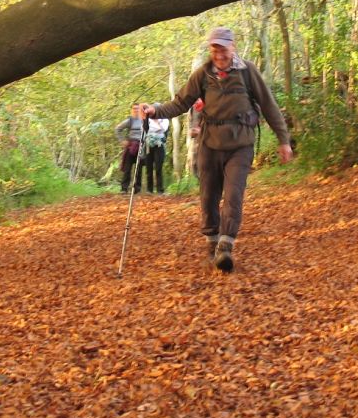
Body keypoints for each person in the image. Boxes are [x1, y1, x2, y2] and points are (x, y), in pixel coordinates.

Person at [140, 26, 293, 273]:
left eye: (223, 48)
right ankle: (212, 241)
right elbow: (181, 103)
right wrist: (155, 111)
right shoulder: (202, 74)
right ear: (210, 49)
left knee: (233, 195)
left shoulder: (247, 72)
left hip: (240, 144)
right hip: (210, 144)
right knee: (209, 195)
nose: (219, 54)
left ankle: (225, 246)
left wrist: (283, 140)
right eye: (215, 49)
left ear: (233, 46)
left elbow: (268, 105)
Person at [114, 103, 145, 193]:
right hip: (131, 146)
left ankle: (137, 189)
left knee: (138, 169)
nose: (136, 110)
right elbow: (117, 129)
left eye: (137, 108)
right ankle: (124, 188)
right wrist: (122, 140)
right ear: (132, 110)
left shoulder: (144, 120)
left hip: (141, 146)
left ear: (140, 110)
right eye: (134, 108)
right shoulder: (129, 121)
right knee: (127, 168)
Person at [143, 115, 170, 193]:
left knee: (158, 167)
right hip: (148, 144)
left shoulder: (164, 119)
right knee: (149, 167)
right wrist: (157, 128)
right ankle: (149, 190)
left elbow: (164, 128)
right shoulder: (148, 119)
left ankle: (160, 189)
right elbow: (145, 129)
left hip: (159, 144)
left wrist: (157, 122)